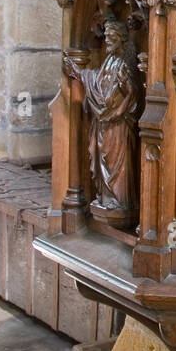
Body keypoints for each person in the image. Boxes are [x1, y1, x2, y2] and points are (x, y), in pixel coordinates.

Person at [63, 17, 141, 224]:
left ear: (121, 39)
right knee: (101, 160)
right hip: (104, 120)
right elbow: (96, 79)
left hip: (118, 123)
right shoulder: (109, 60)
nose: (106, 40)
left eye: (111, 37)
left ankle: (120, 202)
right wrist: (79, 73)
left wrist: (120, 100)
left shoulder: (124, 63)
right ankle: (107, 199)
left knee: (116, 163)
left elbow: (132, 94)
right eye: (105, 37)